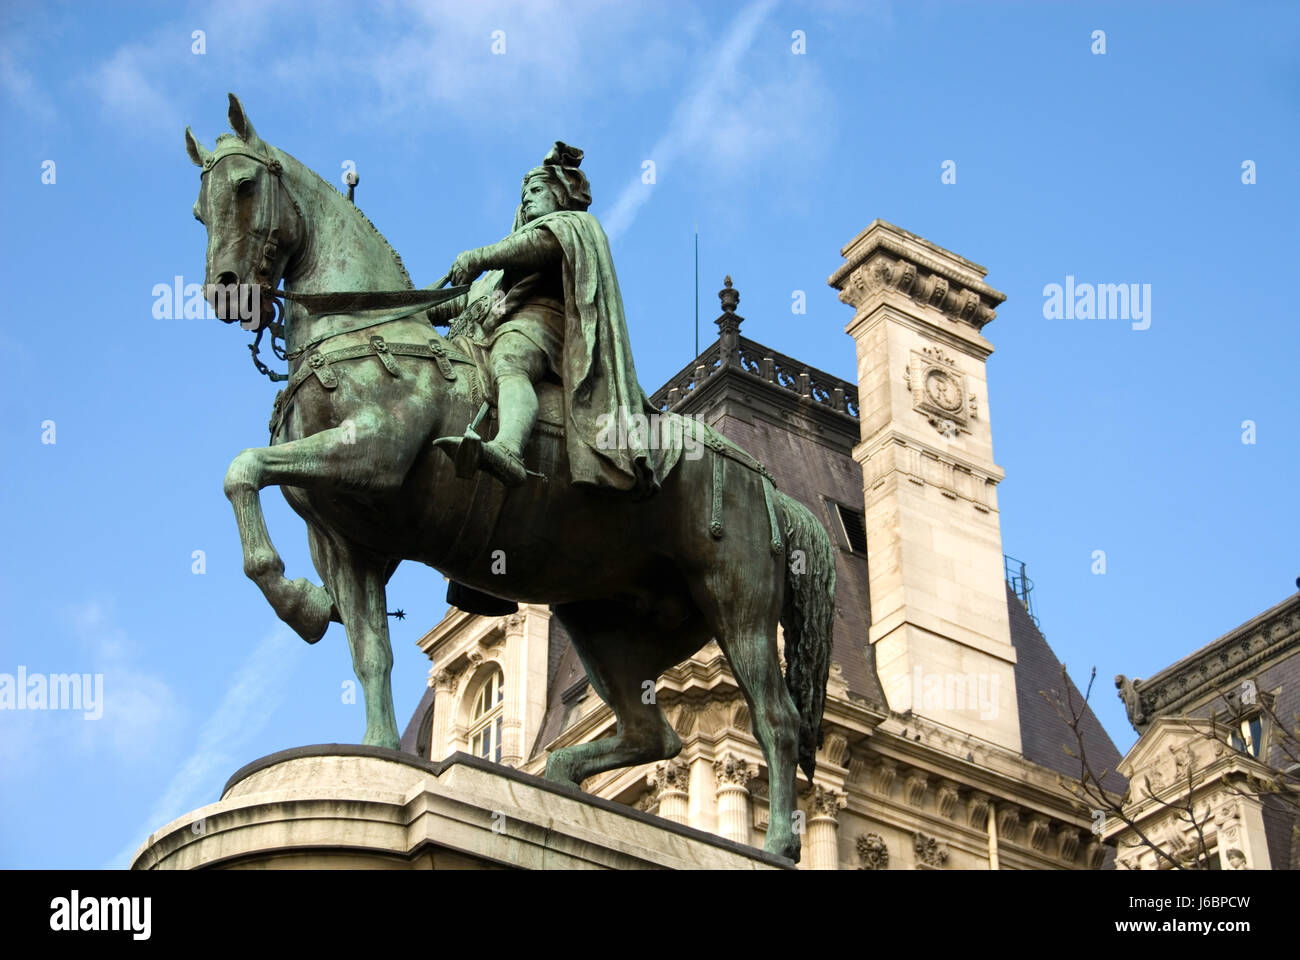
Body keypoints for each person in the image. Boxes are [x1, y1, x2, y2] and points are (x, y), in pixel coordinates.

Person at [429, 142, 657, 494]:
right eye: (524, 195)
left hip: (546, 325)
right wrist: (411, 305)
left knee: (510, 359)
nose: (527, 200)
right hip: (496, 327)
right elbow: (466, 304)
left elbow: (538, 245)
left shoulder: (570, 226)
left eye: (536, 191)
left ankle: (509, 449)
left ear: (558, 196)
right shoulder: (503, 269)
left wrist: (478, 257)